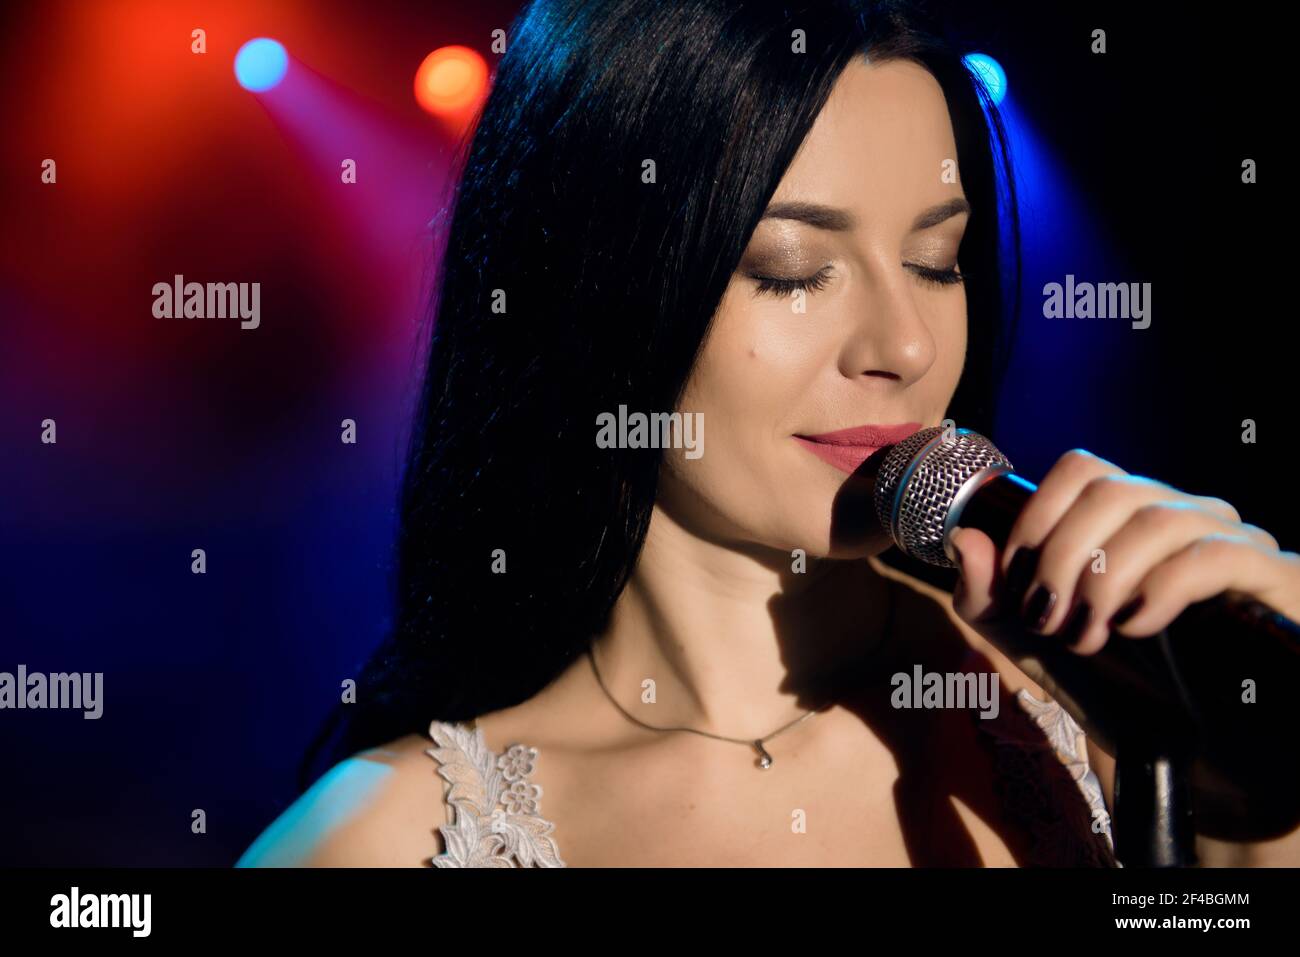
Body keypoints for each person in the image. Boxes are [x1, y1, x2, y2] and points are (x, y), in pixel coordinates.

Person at [237, 0, 1300, 867]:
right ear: (595, 293)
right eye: (792, 271)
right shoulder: (389, 840)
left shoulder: (1118, 711)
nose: (906, 345)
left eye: (937, 263)